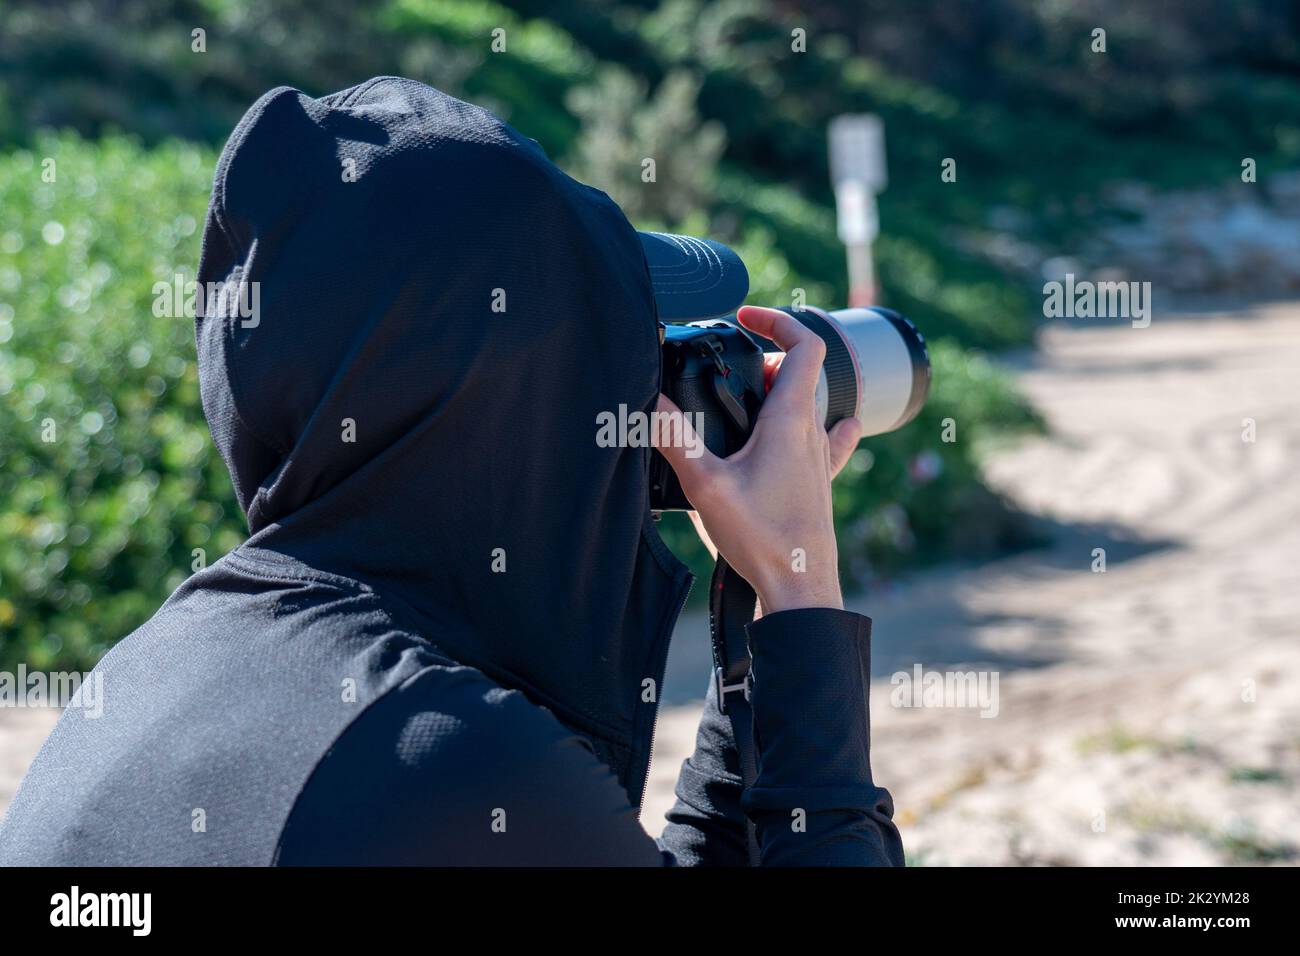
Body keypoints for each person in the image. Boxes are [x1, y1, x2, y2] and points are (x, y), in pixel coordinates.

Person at [0, 77, 903, 866]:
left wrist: (756, 604)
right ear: (521, 394)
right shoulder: (455, 763)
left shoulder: (159, 668)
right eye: (622, 346)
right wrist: (804, 593)